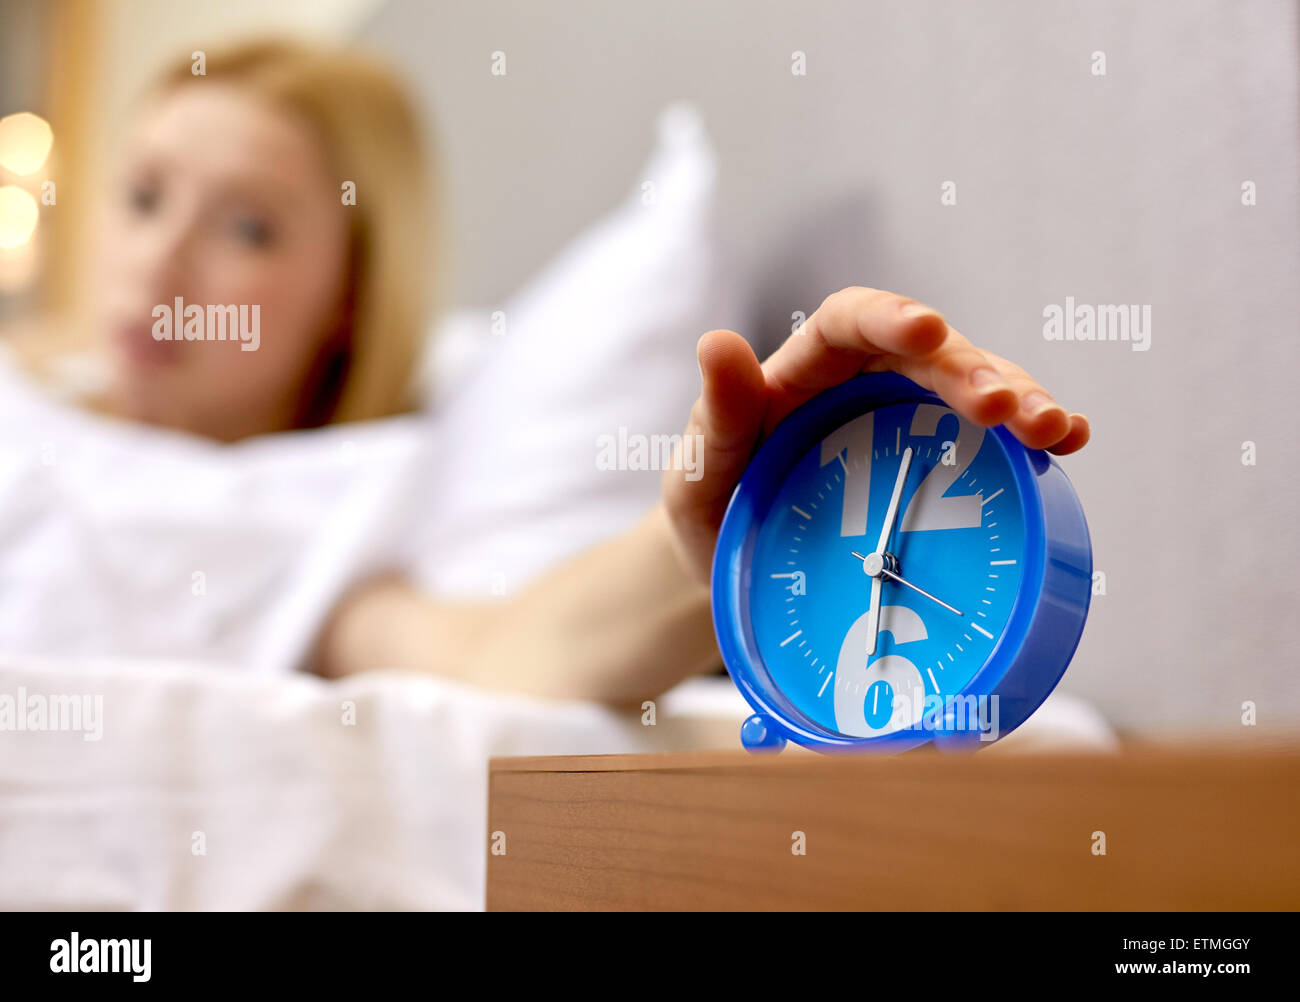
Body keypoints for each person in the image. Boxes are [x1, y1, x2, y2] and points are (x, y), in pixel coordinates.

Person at [4, 40, 1089, 706]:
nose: (163, 261)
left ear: (349, 301)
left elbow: (499, 655)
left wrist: (716, 538)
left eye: (247, 226)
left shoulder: (301, 519)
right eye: (143, 196)